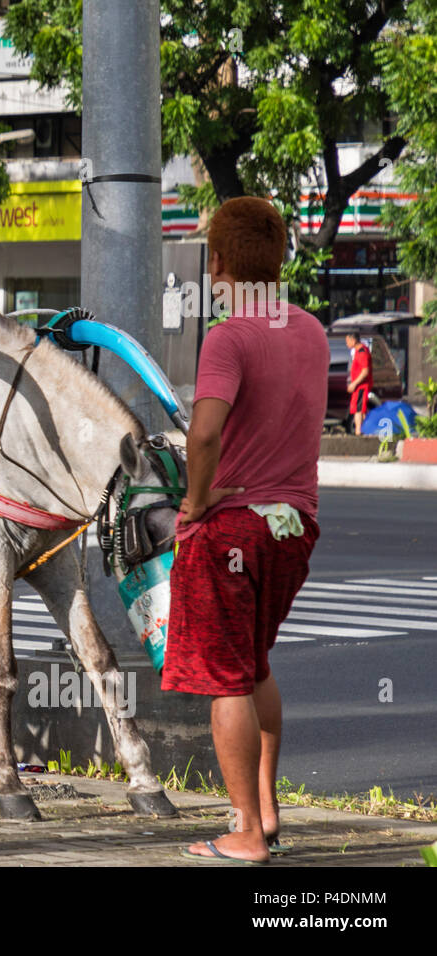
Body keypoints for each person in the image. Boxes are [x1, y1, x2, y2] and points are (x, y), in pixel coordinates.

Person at [163, 196, 329, 864]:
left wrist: (195, 504)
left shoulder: (228, 336)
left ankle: (246, 834)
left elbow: (203, 434)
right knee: (254, 664)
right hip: (296, 529)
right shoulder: (312, 332)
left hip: (232, 530)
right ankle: (265, 808)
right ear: (281, 257)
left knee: (226, 678)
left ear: (219, 262)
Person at [345, 331, 373, 434]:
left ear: (353, 340)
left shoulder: (362, 352)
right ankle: (366, 430)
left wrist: (354, 383)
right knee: (361, 409)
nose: (347, 344)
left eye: (347, 341)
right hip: (358, 386)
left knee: (359, 409)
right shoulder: (357, 351)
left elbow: (365, 371)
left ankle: (358, 431)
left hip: (361, 386)